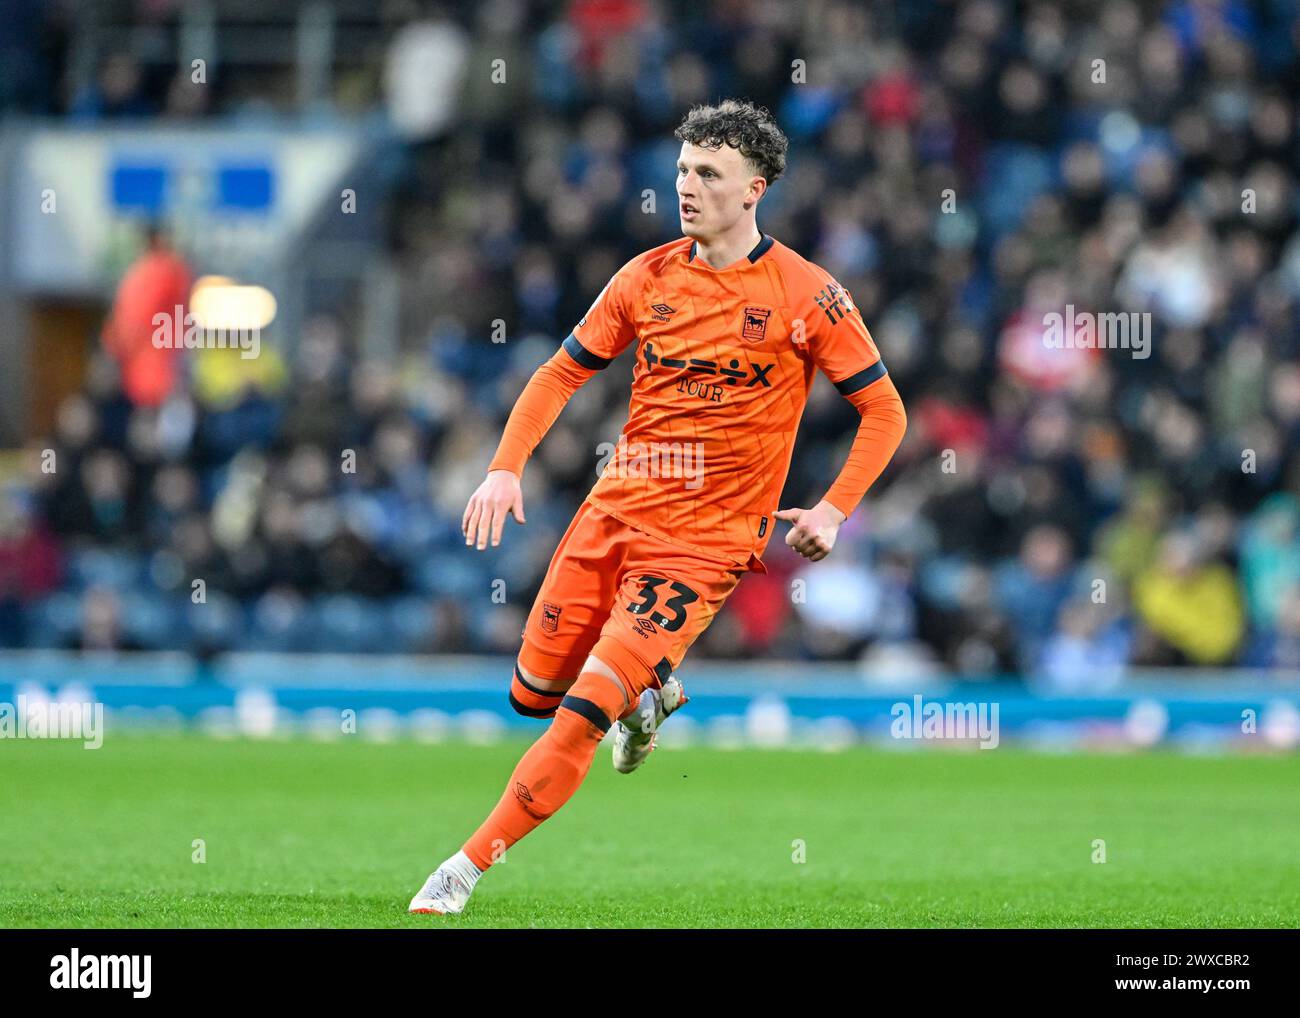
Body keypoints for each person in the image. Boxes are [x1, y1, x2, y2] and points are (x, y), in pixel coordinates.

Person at [409, 100, 907, 915]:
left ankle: (461, 869)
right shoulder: (646, 278)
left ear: (756, 188)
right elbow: (559, 373)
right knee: (531, 695)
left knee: (578, 717)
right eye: (681, 169)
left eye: (707, 173)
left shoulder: (809, 296)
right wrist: (504, 469)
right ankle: (650, 695)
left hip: (704, 548)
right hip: (613, 513)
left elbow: (886, 411)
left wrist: (833, 510)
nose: (686, 185)